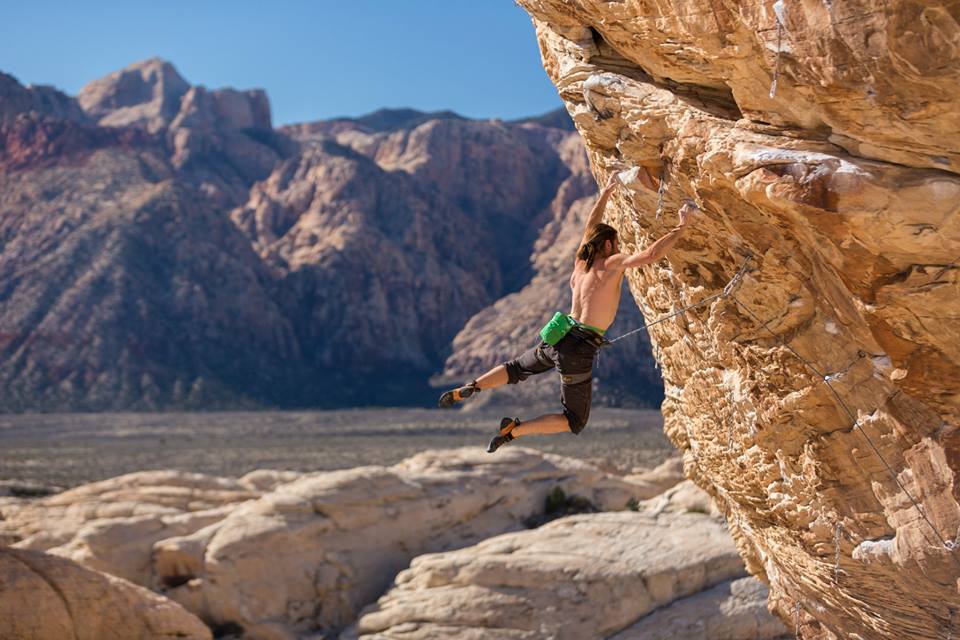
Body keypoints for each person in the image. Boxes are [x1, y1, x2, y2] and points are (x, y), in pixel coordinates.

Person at [438, 172, 697, 453]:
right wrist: (681, 227)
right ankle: (514, 432)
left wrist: (607, 193)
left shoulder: (579, 264)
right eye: (616, 244)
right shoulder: (611, 264)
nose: (618, 248)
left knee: (516, 368)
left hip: (558, 334)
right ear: (609, 245)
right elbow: (649, 256)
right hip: (579, 347)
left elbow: (590, 226)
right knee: (573, 420)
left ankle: (473, 386)